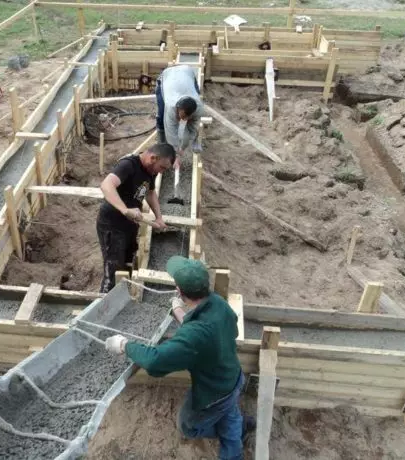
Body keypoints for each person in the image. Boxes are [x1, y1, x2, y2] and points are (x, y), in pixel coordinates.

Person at [104, 256, 254, 459]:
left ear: (180, 291)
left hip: (214, 394)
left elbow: (155, 361)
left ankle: (234, 443)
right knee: (229, 414)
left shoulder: (194, 336)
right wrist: (179, 312)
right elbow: (217, 332)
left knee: (188, 426)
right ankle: (242, 426)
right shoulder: (218, 303)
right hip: (233, 377)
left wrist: (123, 345)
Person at [97, 143, 176, 293]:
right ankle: (104, 301)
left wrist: (159, 218)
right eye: (162, 167)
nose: (162, 171)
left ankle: (126, 292)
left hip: (130, 223)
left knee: (128, 259)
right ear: (153, 158)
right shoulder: (128, 165)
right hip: (112, 224)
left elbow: (150, 193)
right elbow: (106, 185)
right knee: (113, 267)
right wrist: (124, 209)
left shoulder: (151, 170)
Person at [155, 64, 204, 168]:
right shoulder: (170, 106)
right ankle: (161, 145)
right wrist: (175, 155)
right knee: (161, 116)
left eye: (186, 117)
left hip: (186, 72)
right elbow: (171, 133)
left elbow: (192, 129)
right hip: (167, 76)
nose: (183, 120)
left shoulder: (199, 108)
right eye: (181, 116)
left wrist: (183, 148)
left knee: (193, 131)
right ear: (177, 108)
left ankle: (196, 141)